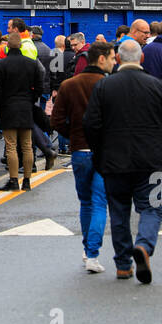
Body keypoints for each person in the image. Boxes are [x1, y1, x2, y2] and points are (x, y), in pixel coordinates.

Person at [82, 39, 162, 284]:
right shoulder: (157, 86)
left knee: (118, 211)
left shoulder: (104, 87)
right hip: (151, 161)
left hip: (114, 161)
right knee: (151, 208)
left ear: (118, 59)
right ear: (142, 59)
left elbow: (90, 124)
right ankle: (144, 246)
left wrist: (99, 153)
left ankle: (123, 265)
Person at [53, 42, 113, 273]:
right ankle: (92, 254)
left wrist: (74, 136)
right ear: (100, 59)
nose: (114, 61)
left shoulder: (68, 85)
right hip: (105, 151)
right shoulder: (108, 85)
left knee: (86, 202)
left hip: (80, 151)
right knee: (100, 203)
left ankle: (87, 249)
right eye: (111, 58)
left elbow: (56, 121)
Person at [0, 32, 44, 192]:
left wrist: (0, 105)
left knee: (11, 146)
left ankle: (13, 180)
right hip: (26, 107)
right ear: (21, 45)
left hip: (8, 108)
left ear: (7, 46)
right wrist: (31, 99)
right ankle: (27, 181)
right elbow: (40, 86)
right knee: (27, 146)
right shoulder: (31, 63)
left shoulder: (1, 64)